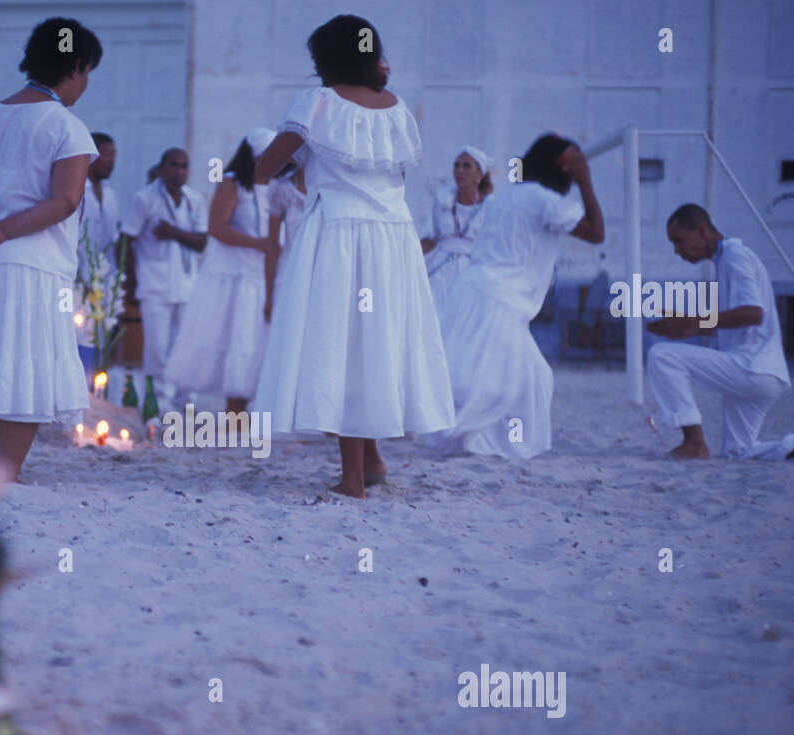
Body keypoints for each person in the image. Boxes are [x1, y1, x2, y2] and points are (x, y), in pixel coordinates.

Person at [251, 15, 456, 498]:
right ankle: (375, 459)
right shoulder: (397, 108)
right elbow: (397, 178)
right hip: (393, 235)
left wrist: (305, 161)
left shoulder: (318, 103)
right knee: (376, 342)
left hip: (340, 232)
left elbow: (264, 167)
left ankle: (352, 478)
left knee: (339, 343)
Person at [0, 17, 102, 479]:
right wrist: (4, 229)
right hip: (31, 261)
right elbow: (66, 200)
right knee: (26, 367)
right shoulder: (66, 125)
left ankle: (3, 466)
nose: (86, 85)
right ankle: (6, 470)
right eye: (87, 73)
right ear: (76, 67)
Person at [426, 133, 605, 459]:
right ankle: (477, 444)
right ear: (560, 166)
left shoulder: (512, 196)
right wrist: (586, 182)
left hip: (478, 291)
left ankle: (490, 443)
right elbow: (596, 232)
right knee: (495, 385)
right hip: (498, 300)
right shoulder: (539, 198)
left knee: (533, 377)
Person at [645, 203, 794, 462]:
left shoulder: (735, 256)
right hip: (763, 372)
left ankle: (694, 443)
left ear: (701, 231)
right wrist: (687, 327)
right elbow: (741, 325)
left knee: (661, 356)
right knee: (738, 453)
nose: (676, 250)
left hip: (752, 368)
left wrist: (694, 322)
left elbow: (754, 314)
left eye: (678, 240)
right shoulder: (726, 261)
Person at [165, 129, 276, 416]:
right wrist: (258, 244)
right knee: (238, 338)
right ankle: (235, 412)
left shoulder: (278, 186)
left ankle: (260, 411)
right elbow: (216, 227)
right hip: (235, 275)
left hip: (267, 274)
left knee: (262, 340)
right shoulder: (233, 183)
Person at [121, 147, 208, 408]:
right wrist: (131, 281)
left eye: (183, 167)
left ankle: (186, 401)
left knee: (186, 345)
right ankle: (158, 404)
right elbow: (126, 239)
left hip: (186, 284)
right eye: (173, 165)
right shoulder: (144, 199)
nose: (178, 171)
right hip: (154, 283)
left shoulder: (195, 200)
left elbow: (202, 242)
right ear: (161, 167)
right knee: (157, 349)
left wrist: (175, 233)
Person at [421, 147, 493, 323]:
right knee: (434, 320)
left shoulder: (491, 206)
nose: (459, 170)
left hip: (474, 269)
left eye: (466, 166)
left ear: (480, 174)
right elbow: (431, 238)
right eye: (456, 165)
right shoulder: (443, 199)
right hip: (441, 270)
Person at [264, 162, 307, 322]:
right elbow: (272, 247)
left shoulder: (334, 186)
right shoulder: (281, 187)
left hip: (325, 279)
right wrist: (269, 296)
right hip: (288, 276)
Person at [77, 132, 121, 279]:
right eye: (106, 156)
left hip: (105, 278)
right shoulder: (76, 190)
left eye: (114, 156)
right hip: (77, 275)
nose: (112, 162)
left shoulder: (110, 195)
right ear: (92, 156)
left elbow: (113, 239)